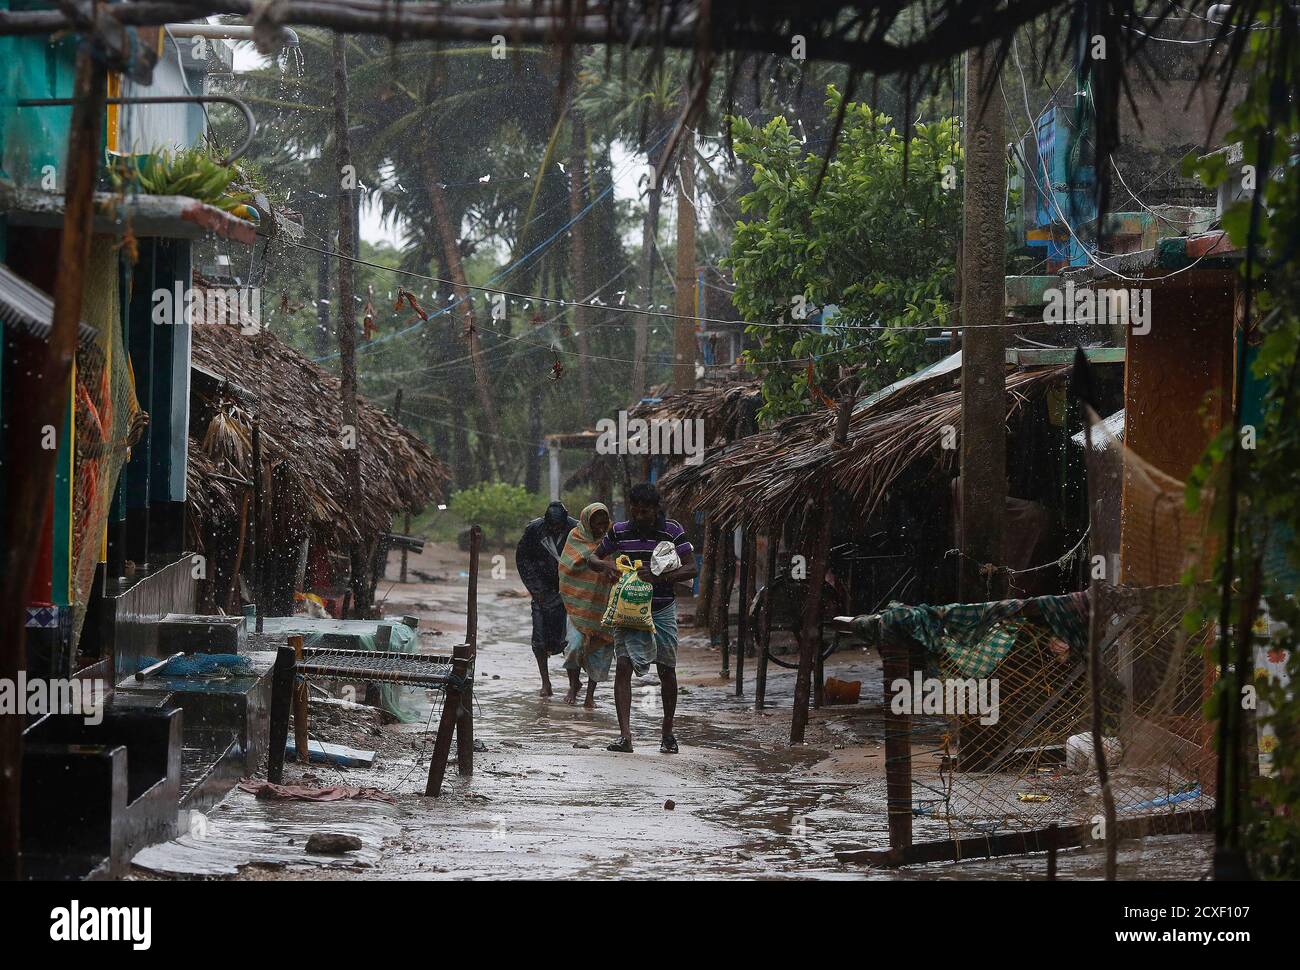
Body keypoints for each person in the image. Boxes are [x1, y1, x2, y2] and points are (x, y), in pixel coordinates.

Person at [589, 482, 696, 753]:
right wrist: (606, 565)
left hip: (661, 609)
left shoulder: (672, 531)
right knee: (623, 667)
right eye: (635, 511)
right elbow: (593, 559)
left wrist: (663, 575)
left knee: (666, 669)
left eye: (645, 512)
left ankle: (668, 732)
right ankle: (625, 736)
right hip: (627, 610)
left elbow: (692, 568)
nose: (639, 517)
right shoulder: (619, 531)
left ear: (656, 509)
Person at [516, 500, 577, 697]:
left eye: (558, 526)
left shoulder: (576, 530)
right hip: (542, 591)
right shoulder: (535, 529)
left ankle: (573, 684)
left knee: (570, 641)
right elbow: (523, 559)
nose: (554, 529)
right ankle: (546, 683)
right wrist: (536, 589)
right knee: (539, 640)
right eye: (551, 526)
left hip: (570, 591)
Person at [557, 502, 615, 707]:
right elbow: (566, 567)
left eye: (603, 523)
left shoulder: (612, 538)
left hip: (604, 604)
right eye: (596, 524)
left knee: (599, 650)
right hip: (579, 605)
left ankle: (590, 696)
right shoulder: (576, 537)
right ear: (587, 522)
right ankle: (574, 684)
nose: (600, 528)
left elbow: (621, 564)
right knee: (573, 646)